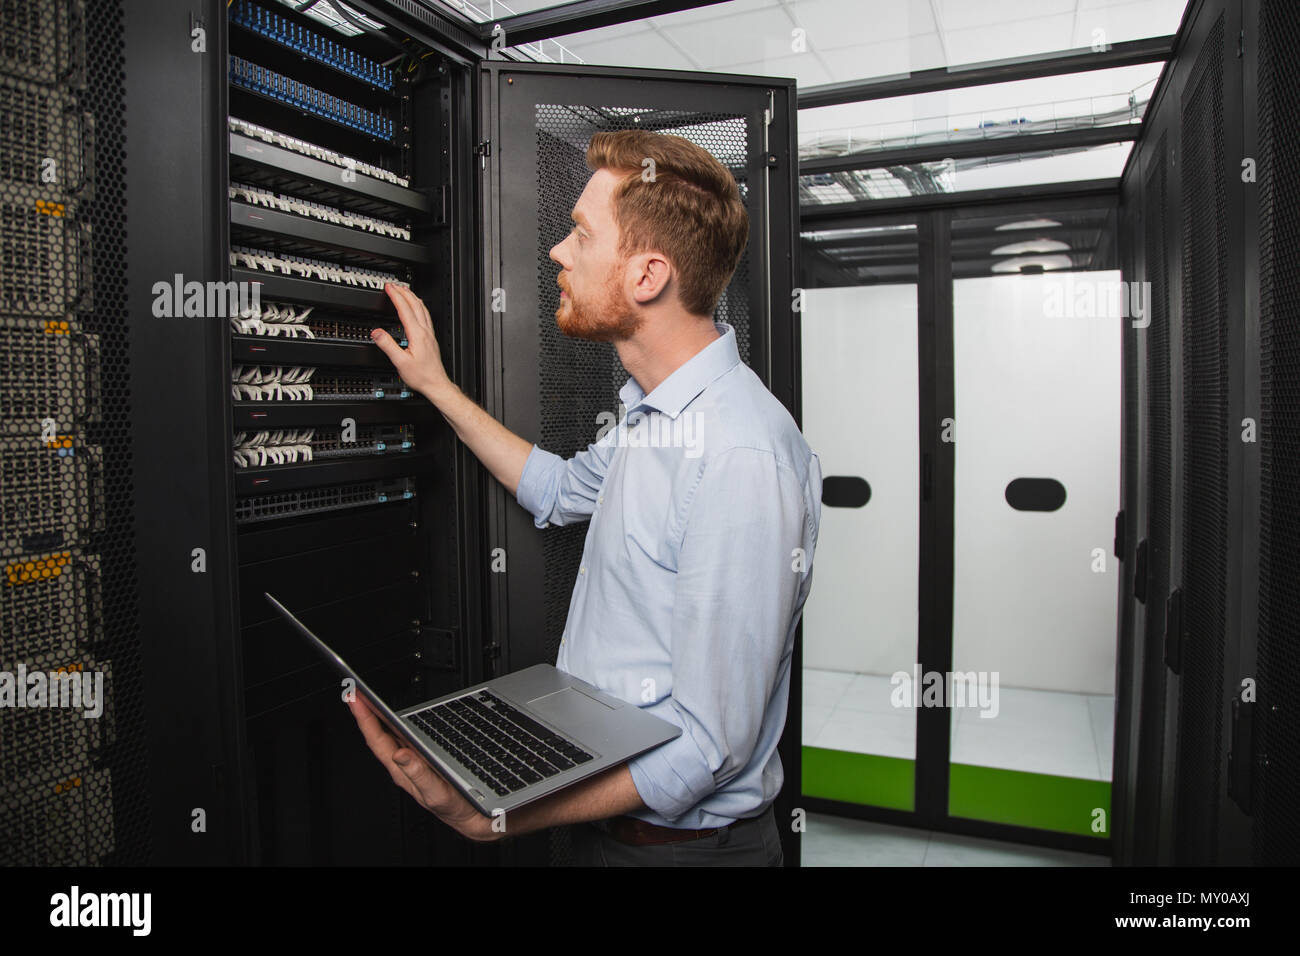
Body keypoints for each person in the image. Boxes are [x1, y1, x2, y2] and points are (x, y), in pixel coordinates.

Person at [349, 128, 822, 866]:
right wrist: (437, 387)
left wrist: (498, 817)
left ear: (646, 276)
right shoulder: (657, 416)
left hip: (678, 853)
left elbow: (709, 746)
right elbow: (561, 488)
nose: (557, 253)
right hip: (605, 830)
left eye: (579, 233)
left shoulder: (740, 457)